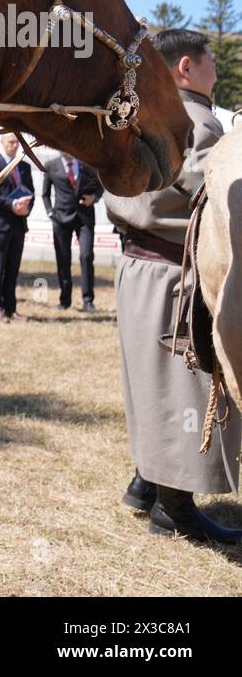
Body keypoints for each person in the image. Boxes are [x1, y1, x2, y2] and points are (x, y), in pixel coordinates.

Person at [105, 28, 241, 543]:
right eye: (210, 62)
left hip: (141, 269)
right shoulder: (199, 122)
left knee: (151, 381)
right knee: (185, 386)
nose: (216, 70)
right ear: (186, 66)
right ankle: (175, 509)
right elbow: (221, 202)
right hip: (176, 273)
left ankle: (146, 484)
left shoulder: (131, 112)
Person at [41, 149, 102, 312]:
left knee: (86, 256)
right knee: (63, 258)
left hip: (85, 219)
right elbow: (45, 194)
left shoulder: (87, 164)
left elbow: (101, 185)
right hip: (61, 219)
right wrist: (50, 213)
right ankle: (65, 299)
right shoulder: (50, 166)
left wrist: (94, 197)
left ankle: (88, 300)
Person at [0, 135, 32, 322]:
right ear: (2, 143)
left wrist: (26, 208)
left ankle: (11, 308)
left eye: (16, 142)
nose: (14, 145)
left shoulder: (24, 166)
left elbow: (30, 192)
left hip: (18, 224)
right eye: (10, 141)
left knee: (12, 269)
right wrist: (11, 204)